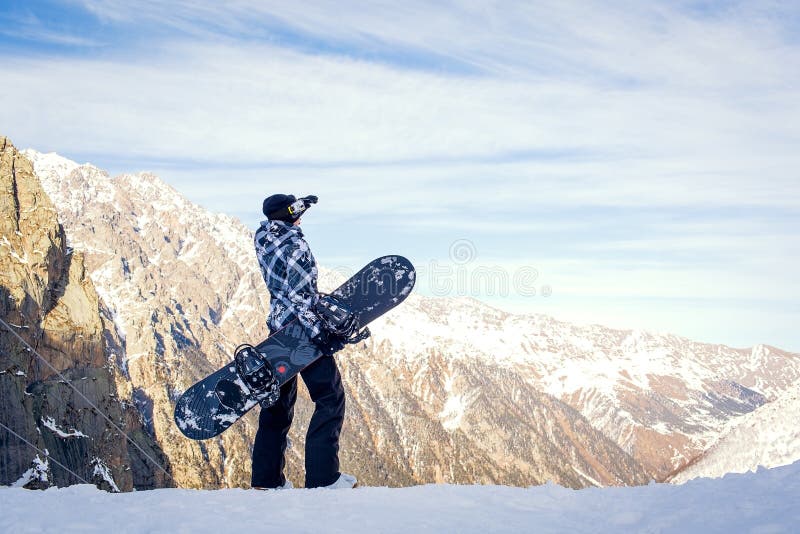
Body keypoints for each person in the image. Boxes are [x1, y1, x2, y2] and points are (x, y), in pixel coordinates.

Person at [251, 193, 357, 490]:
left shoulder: (264, 239)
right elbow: (300, 296)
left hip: (277, 328)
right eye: (297, 211)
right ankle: (324, 478)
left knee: (277, 404)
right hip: (301, 331)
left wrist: (302, 204)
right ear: (288, 214)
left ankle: (266, 480)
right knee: (329, 397)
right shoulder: (294, 243)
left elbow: (284, 286)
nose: (300, 217)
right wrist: (319, 333)